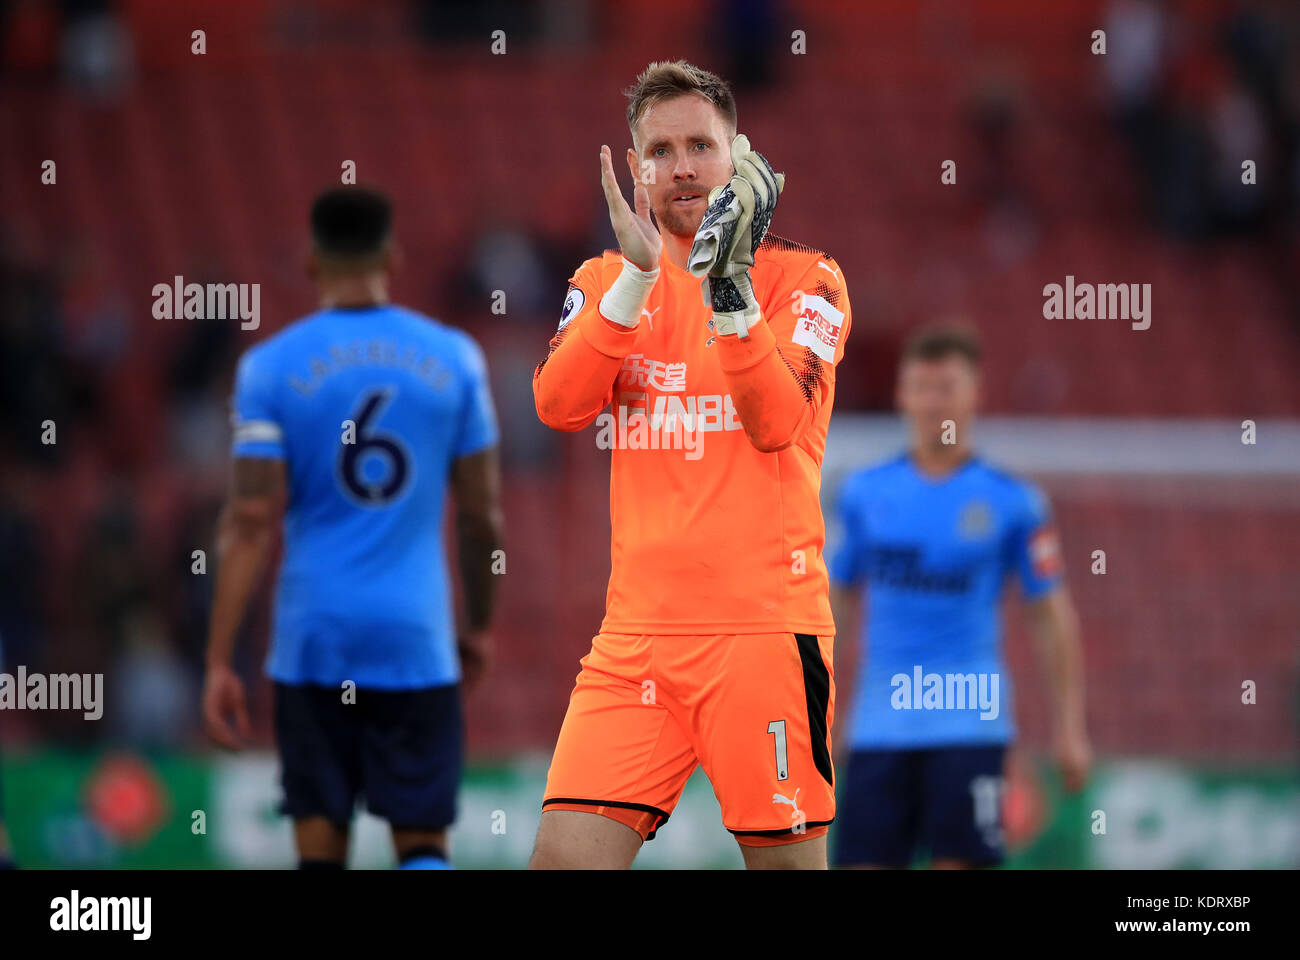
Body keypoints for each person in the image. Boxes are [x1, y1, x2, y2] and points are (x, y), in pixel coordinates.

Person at [530, 60, 852, 869]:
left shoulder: (805, 278)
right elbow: (558, 406)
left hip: (763, 639)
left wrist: (730, 286)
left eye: (700, 146)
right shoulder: (605, 282)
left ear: (737, 154)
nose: (682, 166)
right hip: (633, 645)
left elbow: (777, 423)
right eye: (661, 150)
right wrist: (639, 281)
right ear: (635, 169)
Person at [201, 187, 502, 869]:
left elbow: (250, 519)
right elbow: (483, 516)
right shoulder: (456, 359)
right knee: (422, 840)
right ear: (392, 256)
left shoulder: (269, 368)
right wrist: (479, 626)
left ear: (311, 261)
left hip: (315, 640)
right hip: (415, 637)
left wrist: (221, 658)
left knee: (320, 844)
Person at [829, 324, 1091, 868]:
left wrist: (1069, 728)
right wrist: (818, 711)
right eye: (922, 387)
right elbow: (834, 604)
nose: (933, 402)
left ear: (976, 394)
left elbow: (1050, 615)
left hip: (969, 724)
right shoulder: (863, 494)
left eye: (947, 387)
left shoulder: (1015, 503)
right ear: (902, 395)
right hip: (879, 726)